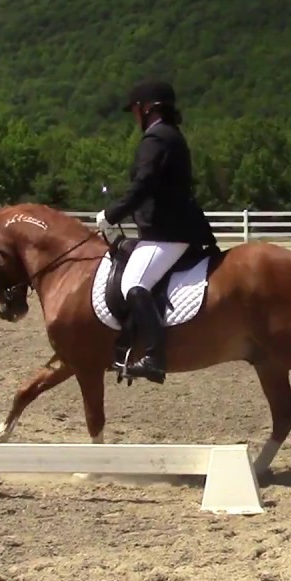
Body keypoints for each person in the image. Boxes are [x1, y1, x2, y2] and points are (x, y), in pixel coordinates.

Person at [95, 79, 217, 383]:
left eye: (135, 110)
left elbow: (143, 185)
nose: (134, 116)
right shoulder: (169, 135)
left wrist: (111, 214)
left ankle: (154, 357)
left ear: (147, 108)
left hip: (169, 232)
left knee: (133, 284)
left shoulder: (157, 138)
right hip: (171, 228)